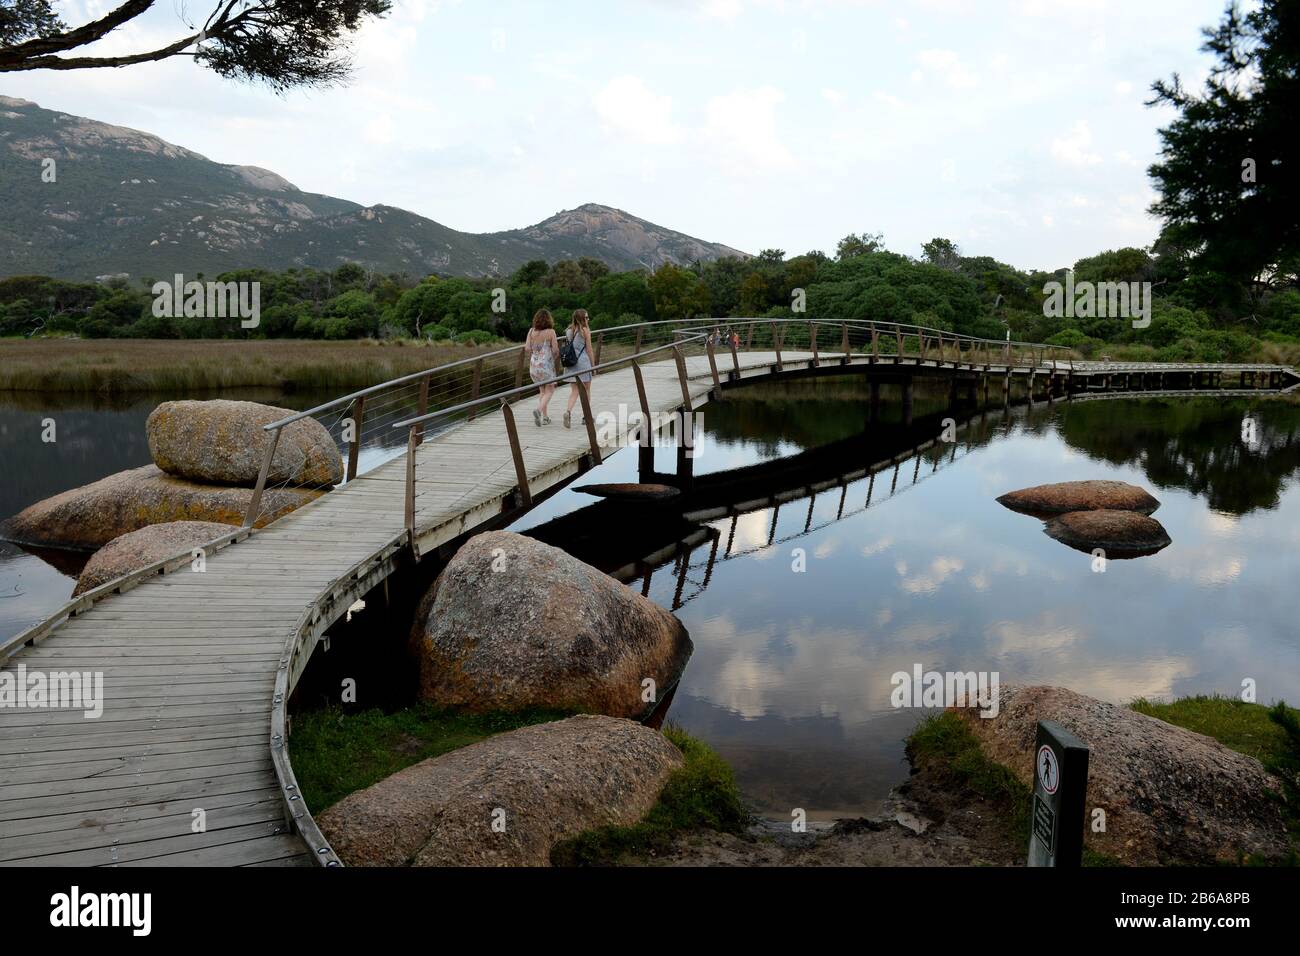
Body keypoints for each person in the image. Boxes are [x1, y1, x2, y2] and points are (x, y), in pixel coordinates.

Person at [524, 308, 559, 425]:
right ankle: (538, 411)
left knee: (542, 392)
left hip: (534, 366)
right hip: (546, 366)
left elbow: (527, 348)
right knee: (550, 390)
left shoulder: (530, 332)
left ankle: (545, 418)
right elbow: (555, 350)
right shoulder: (551, 332)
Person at [562, 308, 595, 429]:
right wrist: (593, 366)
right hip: (583, 363)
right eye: (586, 317)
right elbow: (589, 349)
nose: (588, 319)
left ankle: (568, 412)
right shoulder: (585, 331)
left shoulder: (569, 331)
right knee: (586, 390)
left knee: (574, 391)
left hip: (571, 364)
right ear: (581, 319)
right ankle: (586, 417)